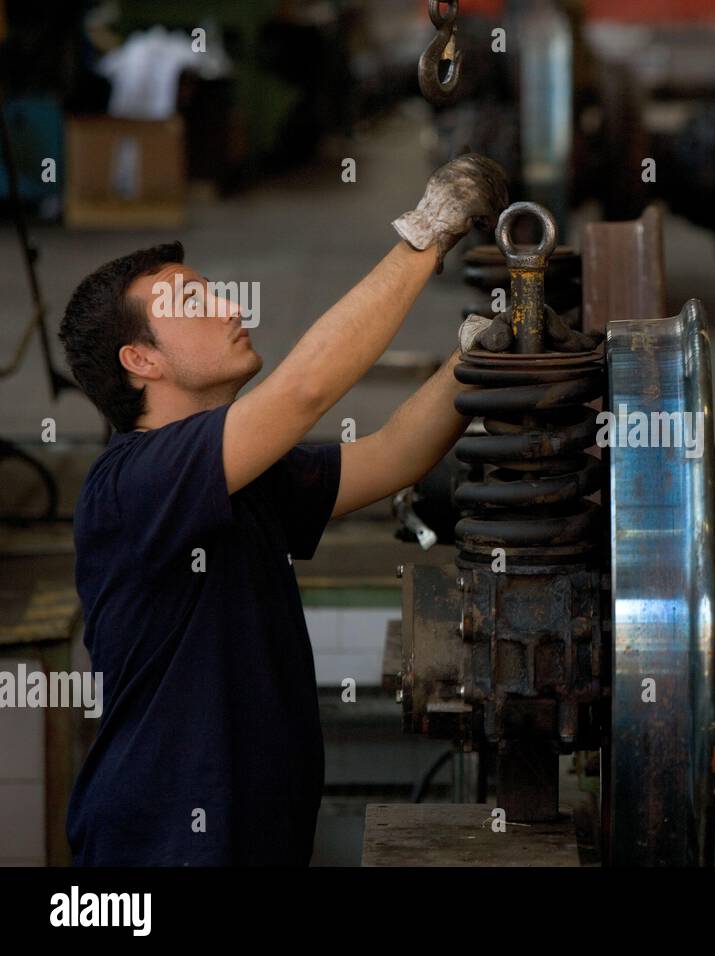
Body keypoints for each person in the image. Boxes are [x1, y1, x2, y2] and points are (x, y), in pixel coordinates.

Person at [57, 153, 508, 865]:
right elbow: (302, 390)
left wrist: (474, 355)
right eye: (197, 306)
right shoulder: (136, 482)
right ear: (141, 361)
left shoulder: (241, 473)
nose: (231, 309)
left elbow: (391, 455)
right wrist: (430, 230)